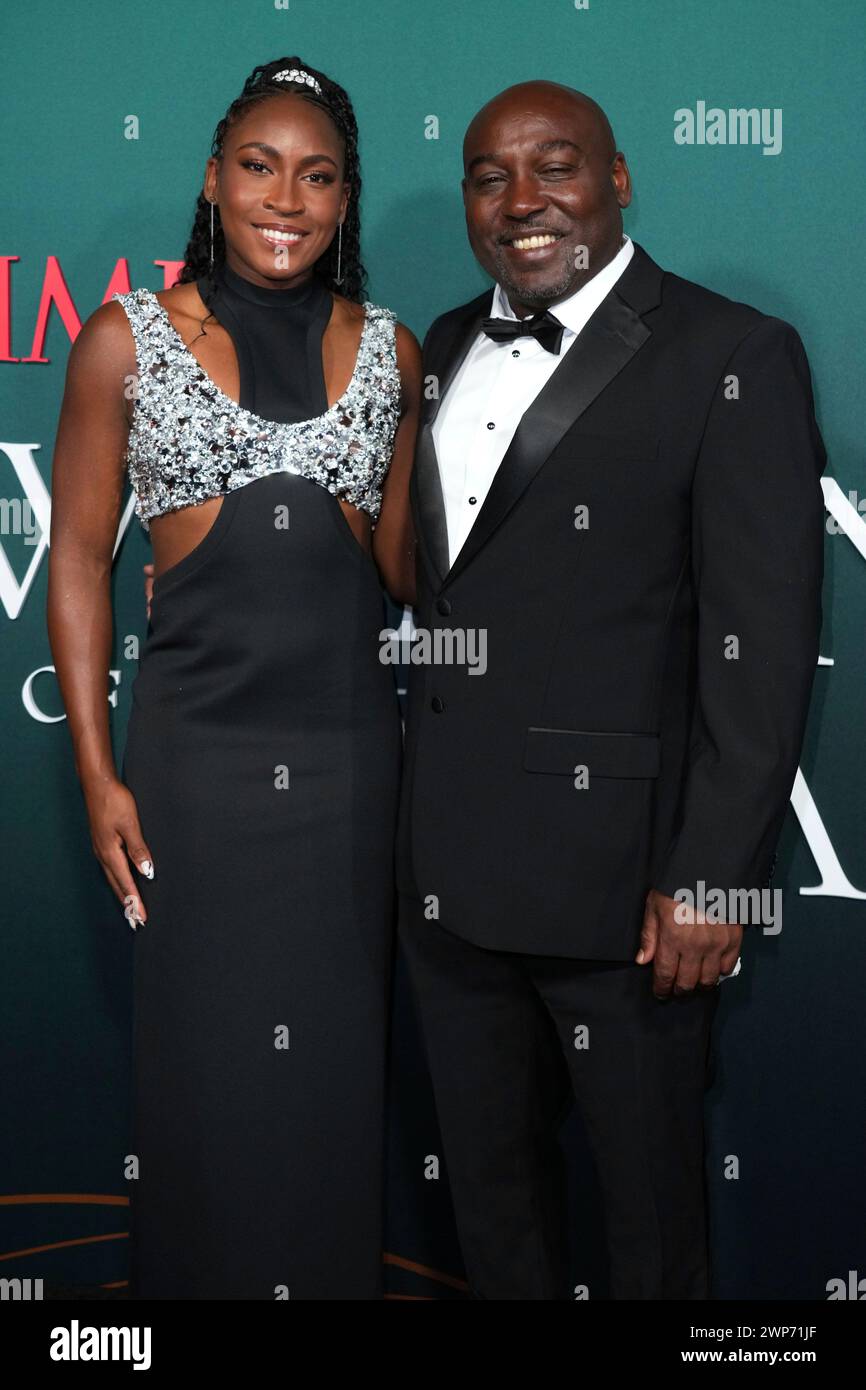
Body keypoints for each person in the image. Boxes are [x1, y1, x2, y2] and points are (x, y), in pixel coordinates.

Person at [396, 80, 826, 1299]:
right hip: (443, 884)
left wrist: (709, 874)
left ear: (620, 176)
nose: (521, 200)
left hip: (626, 899)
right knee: (493, 1223)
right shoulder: (431, 345)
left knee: (648, 1237)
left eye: (556, 165)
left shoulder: (731, 354)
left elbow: (762, 642)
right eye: (489, 176)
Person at [46, 56, 420, 1300]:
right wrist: (97, 770)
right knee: (205, 1089)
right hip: (194, 775)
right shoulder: (123, 342)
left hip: (351, 772)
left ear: (345, 198)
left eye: (317, 175)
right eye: (258, 165)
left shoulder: (391, 352)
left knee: (325, 1085)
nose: (285, 196)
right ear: (212, 178)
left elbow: (407, 572)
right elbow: (83, 564)